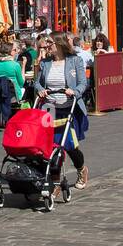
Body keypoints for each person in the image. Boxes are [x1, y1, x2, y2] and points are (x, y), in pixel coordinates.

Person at [34, 33, 90, 191]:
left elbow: (82, 83)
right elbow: (37, 83)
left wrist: (75, 91)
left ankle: (81, 169)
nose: (47, 46)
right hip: (49, 108)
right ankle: (55, 182)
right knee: (50, 146)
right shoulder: (45, 63)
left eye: (49, 43)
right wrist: (40, 90)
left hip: (69, 108)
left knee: (69, 145)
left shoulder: (75, 61)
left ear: (58, 44)